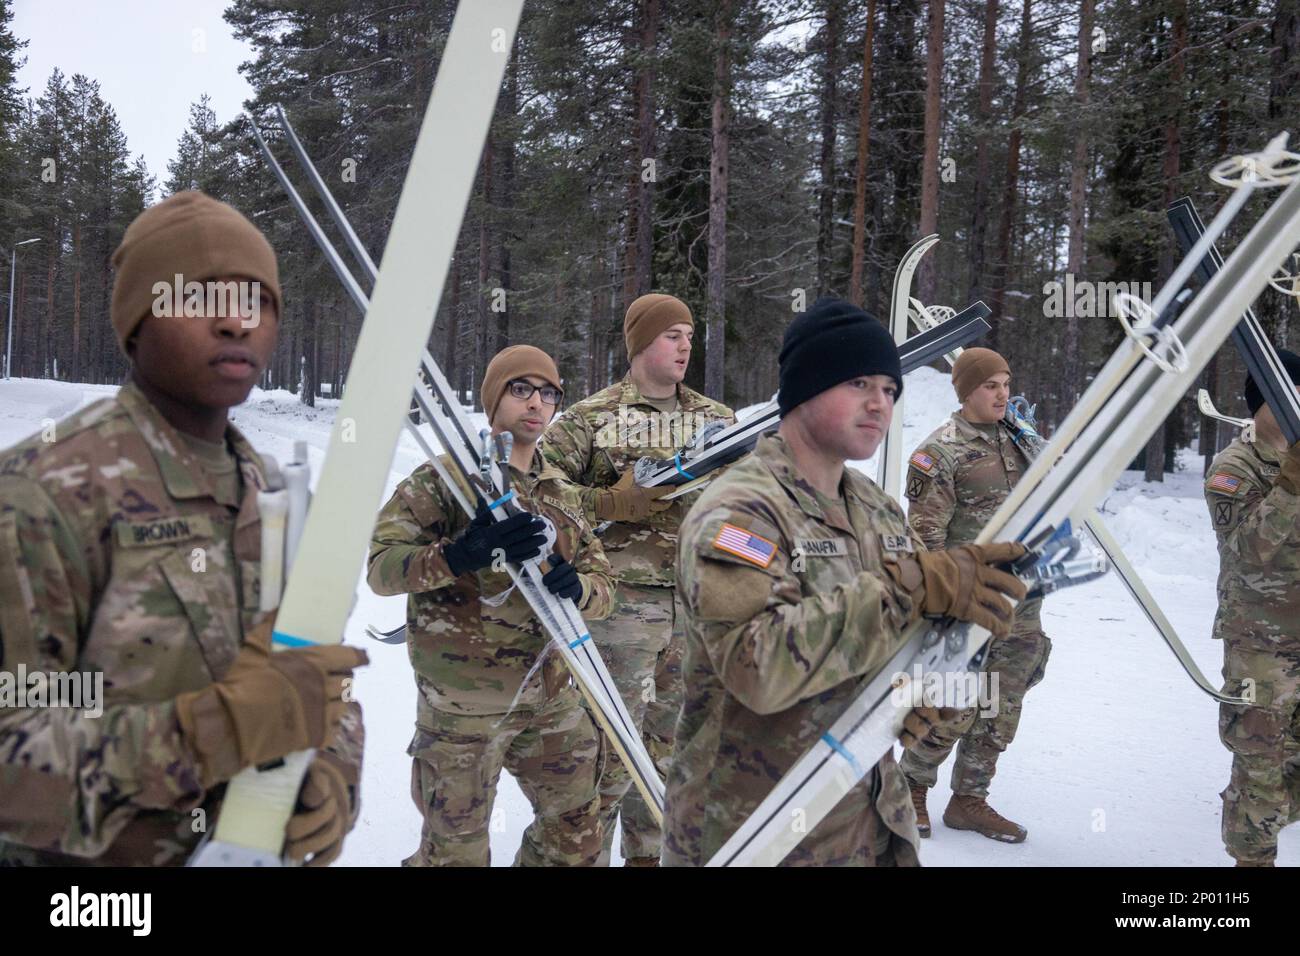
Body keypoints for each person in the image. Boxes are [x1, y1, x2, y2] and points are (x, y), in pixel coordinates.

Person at [0, 190, 367, 866]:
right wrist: (210, 733)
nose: (234, 322)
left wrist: (330, 778)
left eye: (255, 301)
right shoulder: (43, 492)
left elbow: (320, 676)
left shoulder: (274, 493)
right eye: (196, 299)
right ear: (136, 324)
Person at [662, 297, 1027, 866]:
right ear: (806, 387)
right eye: (859, 383)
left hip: (867, 820)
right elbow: (756, 667)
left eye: (889, 388)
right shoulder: (741, 511)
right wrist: (910, 585)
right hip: (755, 831)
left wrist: (919, 689)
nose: (880, 403)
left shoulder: (877, 509)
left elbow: (903, 635)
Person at [368, 345, 615, 866]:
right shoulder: (447, 480)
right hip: (464, 708)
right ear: (493, 398)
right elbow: (381, 568)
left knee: (576, 835)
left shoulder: (559, 491)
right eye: (521, 389)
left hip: (550, 697)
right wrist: (461, 553)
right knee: (455, 853)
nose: (537, 402)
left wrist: (579, 589)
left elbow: (603, 585)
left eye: (549, 393)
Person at [543, 293, 733, 865]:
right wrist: (610, 502)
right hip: (617, 610)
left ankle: (650, 853)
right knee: (606, 747)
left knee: (674, 747)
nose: (685, 346)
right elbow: (537, 490)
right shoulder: (591, 418)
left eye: (690, 335)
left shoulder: (719, 423)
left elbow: (755, 503)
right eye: (672, 335)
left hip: (696, 608)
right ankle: (584, 854)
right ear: (640, 342)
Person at [899, 347, 1050, 844]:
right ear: (966, 391)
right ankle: (910, 785)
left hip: (1023, 601)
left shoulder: (1023, 441)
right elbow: (925, 538)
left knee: (1001, 707)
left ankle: (969, 799)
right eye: (990, 386)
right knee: (954, 705)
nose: (1002, 394)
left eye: (1006, 384)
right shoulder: (939, 453)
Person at [1203, 348, 1300, 867]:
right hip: (1260, 645)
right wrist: (1290, 485)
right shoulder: (1233, 467)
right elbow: (1249, 548)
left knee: (1287, 774)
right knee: (1260, 765)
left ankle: (1256, 816)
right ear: (1267, 402)